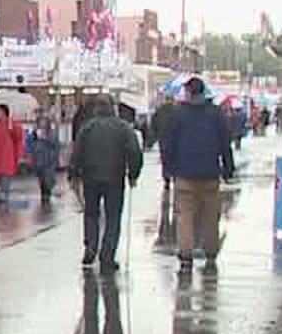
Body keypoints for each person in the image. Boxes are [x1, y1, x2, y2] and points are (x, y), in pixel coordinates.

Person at [160, 76, 236, 274]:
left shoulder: (178, 114)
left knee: (185, 214)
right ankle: (210, 251)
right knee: (211, 215)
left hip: (184, 174)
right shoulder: (215, 113)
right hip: (210, 173)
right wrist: (228, 169)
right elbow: (225, 143)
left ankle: (186, 254)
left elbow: (169, 144)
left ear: (188, 92)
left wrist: (169, 170)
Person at [69, 97, 144, 273]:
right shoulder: (123, 128)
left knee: (91, 214)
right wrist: (133, 174)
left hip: (90, 177)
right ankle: (107, 254)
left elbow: (77, 151)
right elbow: (135, 152)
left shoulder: (87, 127)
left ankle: (91, 247)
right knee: (113, 217)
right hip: (115, 178)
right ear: (113, 109)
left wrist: (73, 173)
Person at [27, 113, 63, 203]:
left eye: (44, 122)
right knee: (42, 179)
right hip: (38, 160)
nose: (42, 124)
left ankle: (47, 195)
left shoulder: (52, 132)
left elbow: (56, 145)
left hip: (49, 160)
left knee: (48, 179)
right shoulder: (35, 133)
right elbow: (30, 144)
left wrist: (46, 138)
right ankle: (44, 196)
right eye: (40, 122)